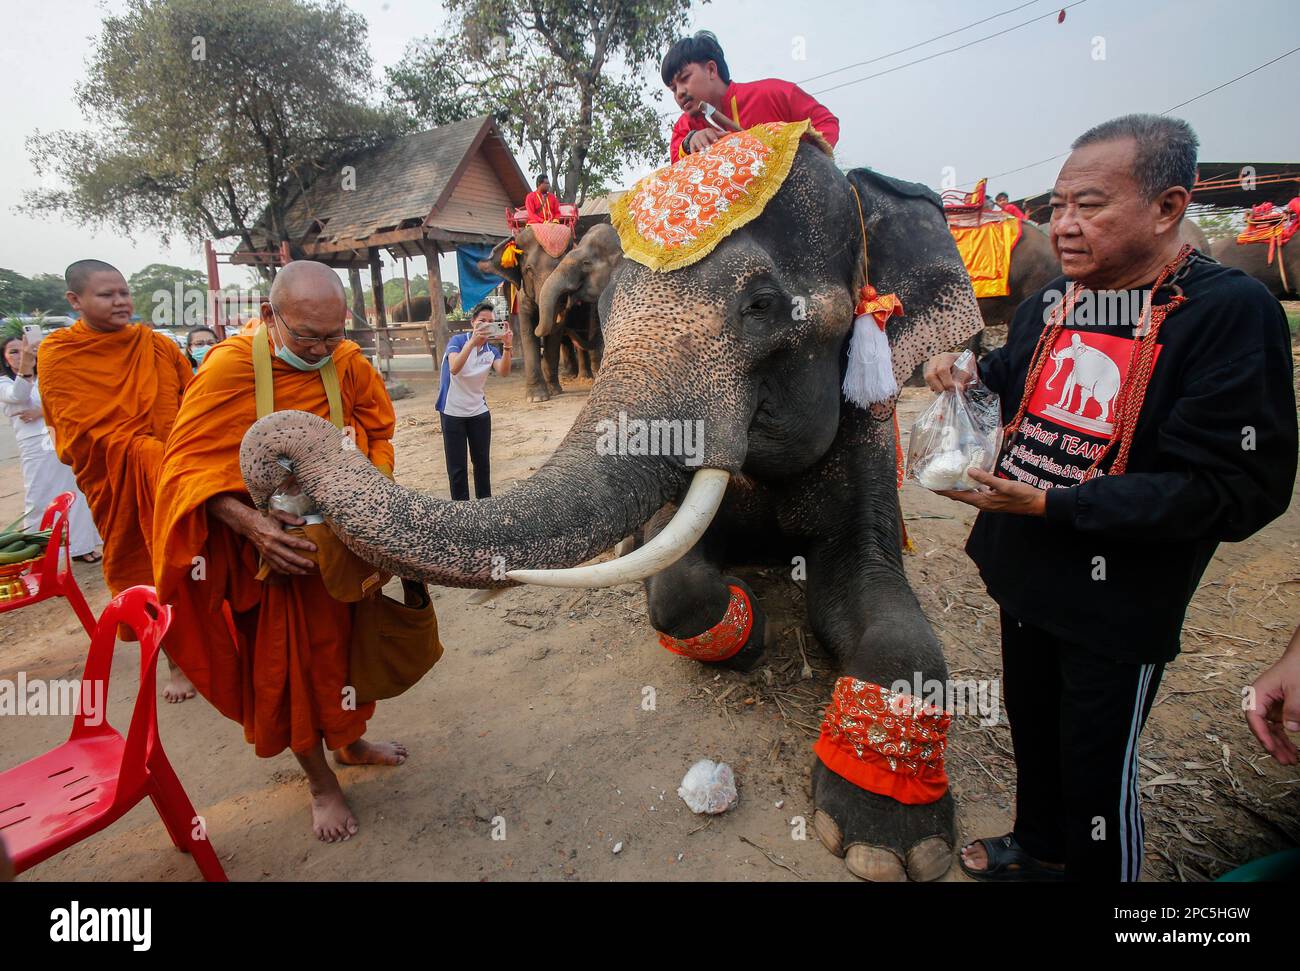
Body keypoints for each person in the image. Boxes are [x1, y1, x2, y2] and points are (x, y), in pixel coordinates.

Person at [921, 114, 1296, 881]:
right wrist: (962, 375)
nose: (1063, 226)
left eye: (1089, 205)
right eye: (1058, 206)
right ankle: (1038, 845)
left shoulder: (1226, 314)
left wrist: (1060, 506)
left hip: (1115, 599)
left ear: (1167, 207)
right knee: (1032, 723)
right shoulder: (1055, 301)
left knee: (1096, 768)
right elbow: (1005, 383)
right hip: (1023, 566)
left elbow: (1236, 487)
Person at [153, 260, 406, 843]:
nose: (320, 351)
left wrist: (367, 487)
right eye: (307, 336)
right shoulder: (229, 368)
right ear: (269, 316)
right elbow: (184, 471)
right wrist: (252, 524)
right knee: (292, 673)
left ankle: (352, 741)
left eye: (333, 335)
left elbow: (379, 429)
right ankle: (320, 784)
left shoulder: (345, 362)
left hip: (341, 551)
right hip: (274, 562)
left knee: (349, 658)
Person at [38, 260, 197, 703]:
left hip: (176, 475)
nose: (121, 302)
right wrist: (144, 453)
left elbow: (193, 400)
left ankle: (212, 650)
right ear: (75, 301)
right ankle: (173, 662)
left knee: (196, 562)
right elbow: (74, 434)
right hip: (121, 481)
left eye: (123, 292)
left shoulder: (155, 346)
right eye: (106, 295)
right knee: (144, 568)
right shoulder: (59, 354)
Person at [662, 30, 840, 162]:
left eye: (684, 78)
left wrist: (796, 161)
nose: (679, 92)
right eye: (673, 89)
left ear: (711, 70)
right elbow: (676, 166)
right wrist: (690, 142)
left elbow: (825, 123)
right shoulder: (684, 128)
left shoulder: (773, 93)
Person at [0, 334, 101, 561]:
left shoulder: (47, 376)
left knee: (75, 492)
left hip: (62, 437)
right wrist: (25, 365)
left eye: (23, 349)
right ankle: (34, 550)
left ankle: (80, 547)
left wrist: (41, 411)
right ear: (5, 359)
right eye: (13, 352)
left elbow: (73, 401)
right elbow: (18, 395)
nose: (20, 355)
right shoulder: (5, 383)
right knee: (38, 495)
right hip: (35, 446)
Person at [437, 302, 511, 500]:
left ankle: (484, 506)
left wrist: (507, 345)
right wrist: (472, 343)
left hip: (478, 412)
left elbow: (503, 371)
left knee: (482, 464)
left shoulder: (491, 350)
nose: (486, 326)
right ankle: (461, 511)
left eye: (491, 323)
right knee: (457, 468)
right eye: (482, 322)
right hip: (452, 412)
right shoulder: (458, 341)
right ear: (472, 323)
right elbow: (454, 367)